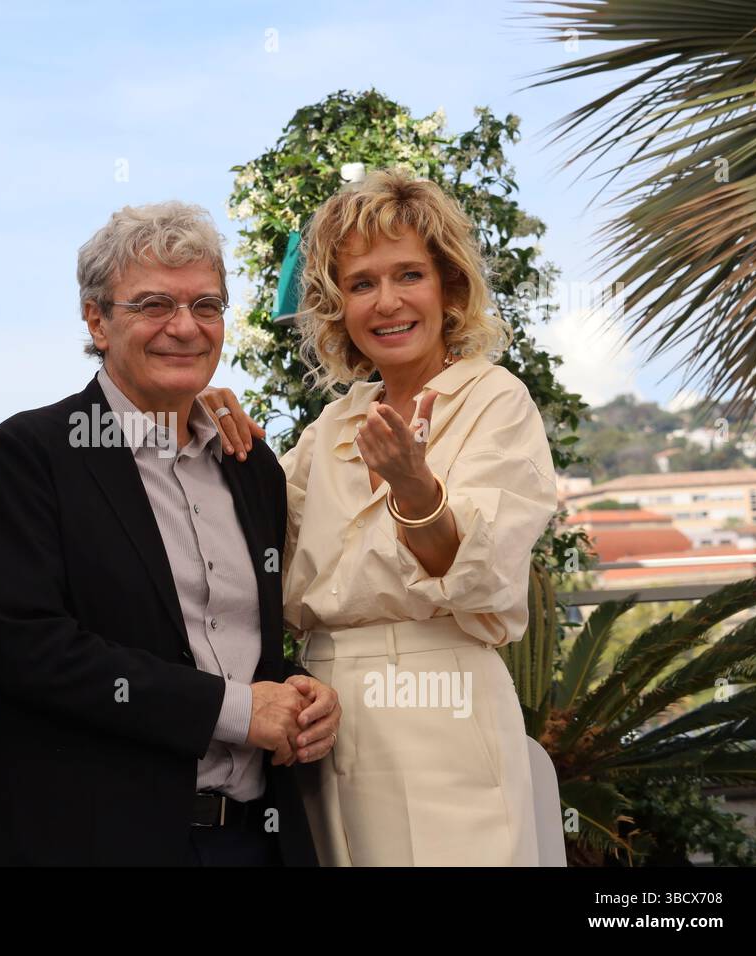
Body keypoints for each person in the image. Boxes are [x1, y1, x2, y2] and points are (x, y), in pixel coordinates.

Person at [201, 169, 558, 865]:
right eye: (361, 284)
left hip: (444, 708)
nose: (387, 302)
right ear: (339, 307)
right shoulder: (330, 427)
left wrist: (416, 491)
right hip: (322, 721)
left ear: (449, 287)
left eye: (408, 276)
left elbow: (479, 577)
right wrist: (220, 451)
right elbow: (263, 568)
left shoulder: (494, 400)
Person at [0, 201, 338, 866]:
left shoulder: (252, 467)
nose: (185, 328)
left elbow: (246, 645)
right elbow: (33, 649)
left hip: (254, 840)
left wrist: (307, 694)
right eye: (153, 305)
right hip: (98, 842)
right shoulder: (29, 456)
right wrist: (237, 711)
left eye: (206, 306)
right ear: (97, 320)